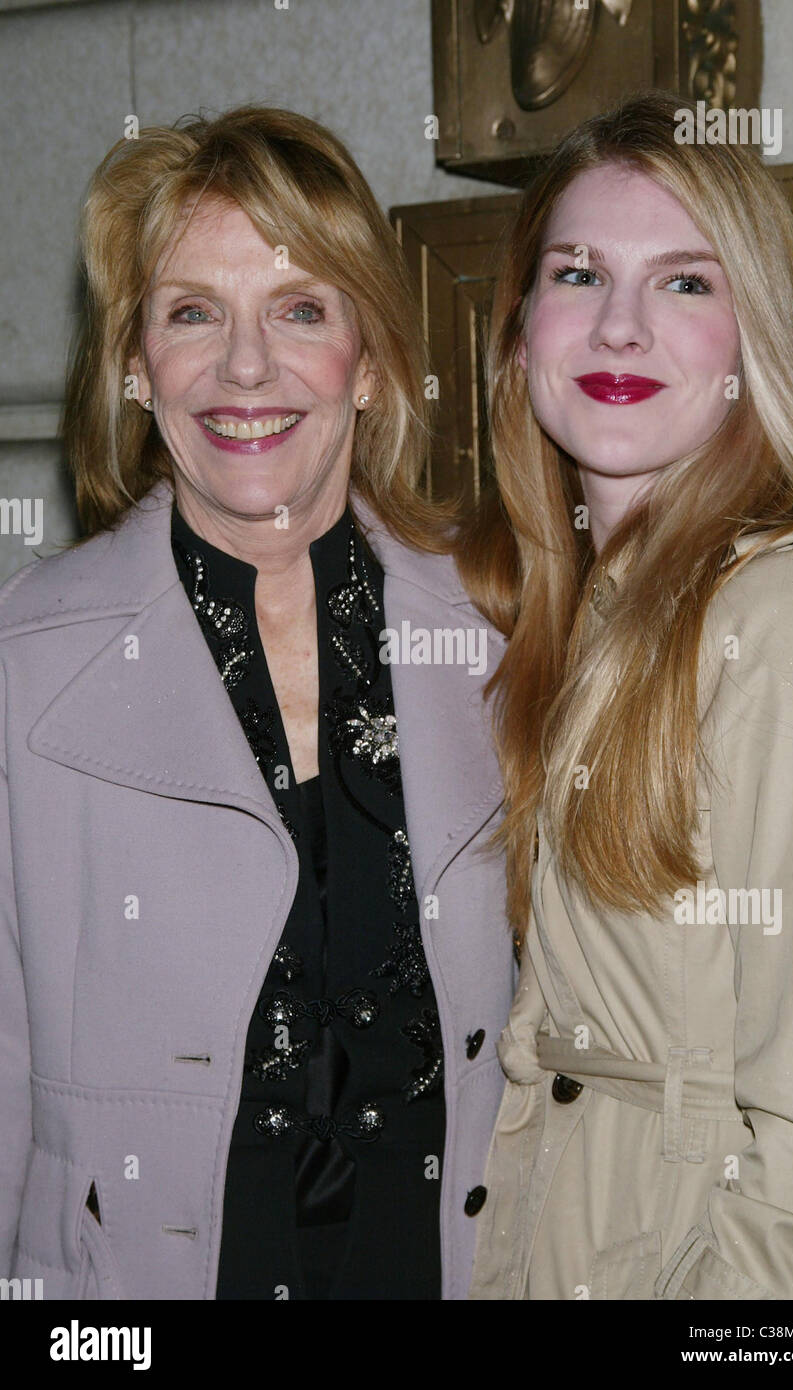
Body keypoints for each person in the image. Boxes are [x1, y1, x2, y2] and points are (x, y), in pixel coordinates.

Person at [0, 105, 513, 1301]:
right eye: (192, 313)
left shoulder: (501, 637)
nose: (244, 367)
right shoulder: (25, 664)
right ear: (134, 363)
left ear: (371, 360)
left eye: (298, 309)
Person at [463, 90, 793, 1300]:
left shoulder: (785, 622)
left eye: (686, 283)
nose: (620, 328)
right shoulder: (569, 613)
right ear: (521, 326)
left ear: (757, 340)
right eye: (578, 274)